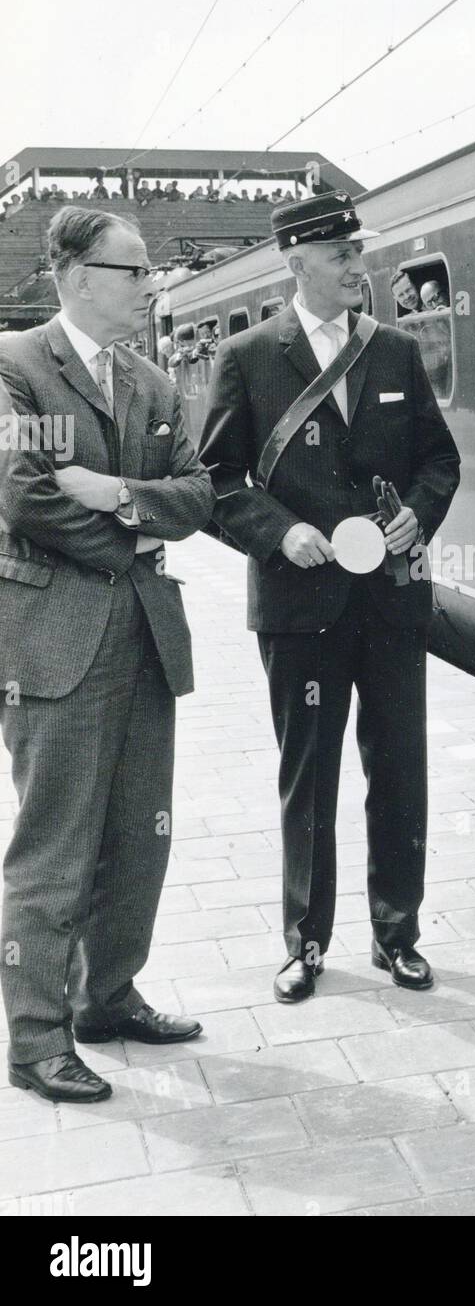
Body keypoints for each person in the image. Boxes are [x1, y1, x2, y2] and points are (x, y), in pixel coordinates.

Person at [198, 191, 460, 1003]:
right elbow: (218, 479)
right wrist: (279, 533)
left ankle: (397, 935)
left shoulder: (393, 350)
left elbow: (439, 459)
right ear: (298, 263)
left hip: (388, 599)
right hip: (299, 602)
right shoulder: (246, 356)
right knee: (307, 777)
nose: (359, 267)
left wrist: (419, 513)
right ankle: (305, 942)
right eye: (343, 256)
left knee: (400, 769)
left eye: (358, 254)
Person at [0, 206, 215, 1103]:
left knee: (138, 834)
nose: (151, 287)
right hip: (53, 641)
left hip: (142, 638)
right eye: (135, 273)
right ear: (79, 277)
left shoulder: (154, 384)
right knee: (55, 845)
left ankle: (107, 997)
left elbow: (198, 494)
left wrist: (121, 492)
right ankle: (35, 1040)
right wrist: (137, 534)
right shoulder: (14, 368)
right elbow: (24, 499)